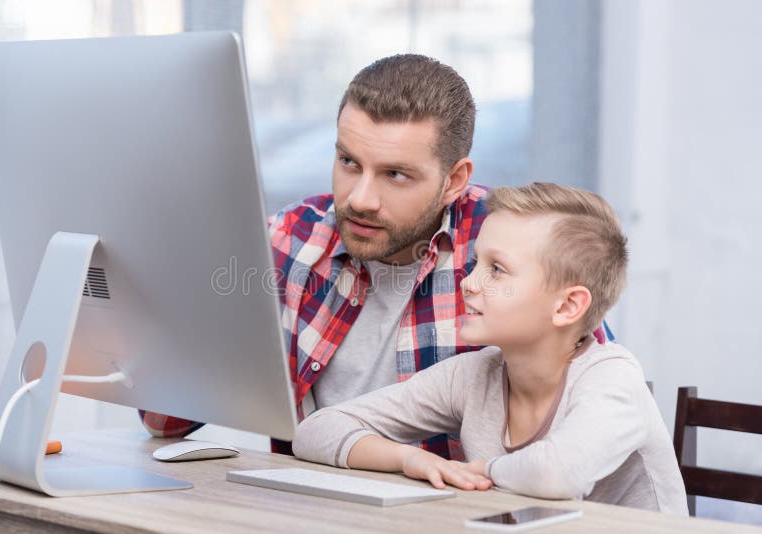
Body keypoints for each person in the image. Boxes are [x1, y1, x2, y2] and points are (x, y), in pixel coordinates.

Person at [140, 55, 609, 457]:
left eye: (396, 175)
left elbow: (595, 415)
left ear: (454, 180)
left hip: (462, 515)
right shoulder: (287, 242)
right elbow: (164, 423)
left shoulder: (512, 245)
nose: (360, 199)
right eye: (348, 162)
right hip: (307, 512)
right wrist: (200, 315)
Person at [292, 183, 688, 515]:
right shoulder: (473, 376)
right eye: (476, 262)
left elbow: (558, 473)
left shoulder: (613, 377)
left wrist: (482, 470)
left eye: (496, 270)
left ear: (568, 306)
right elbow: (315, 431)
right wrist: (409, 458)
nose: (468, 283)